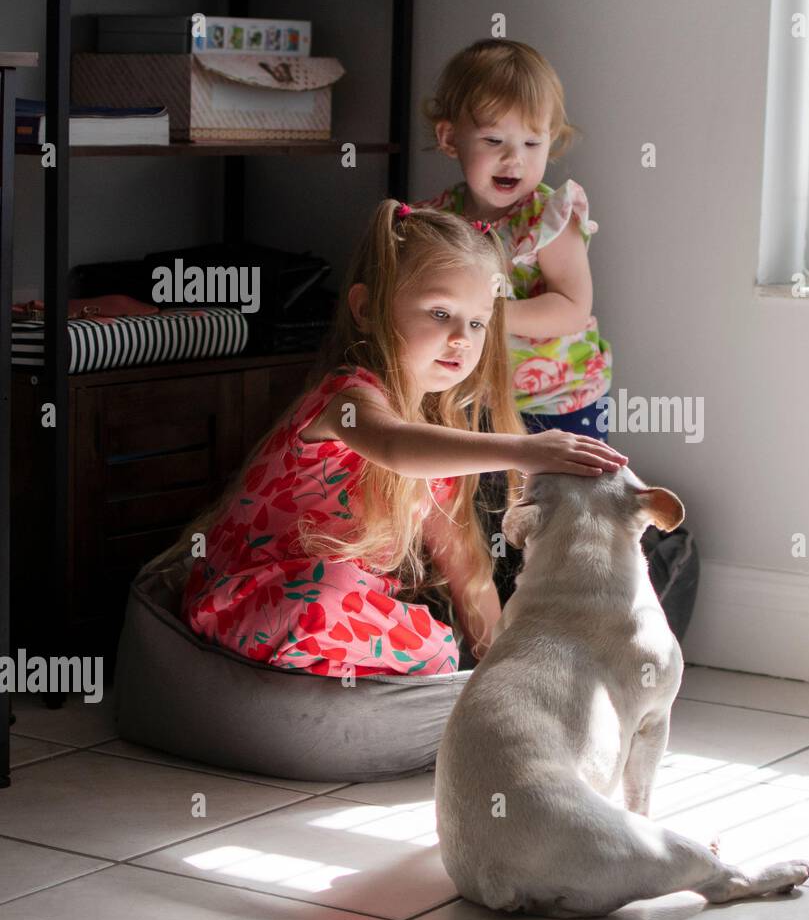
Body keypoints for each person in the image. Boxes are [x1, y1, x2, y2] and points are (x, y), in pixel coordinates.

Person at [143, 201, 626, 678]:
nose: (462, 337)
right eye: (440, 313)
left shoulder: (438, 450)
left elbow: (466, 572)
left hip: (322, 609)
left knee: (433, 640)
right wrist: (523, 450)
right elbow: (396, 446)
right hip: (245, 607)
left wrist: (503, 669)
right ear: (367, 310)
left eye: (477, 322)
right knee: (332, 595)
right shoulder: (348, 399)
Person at [416, 38, 613, 440]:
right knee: (484, 500)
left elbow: (573, 308)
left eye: (531, 143)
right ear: (451, 139)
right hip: (475, 399)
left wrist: (487, 314)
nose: (514, 159)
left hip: (558, 401)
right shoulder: (440, 222)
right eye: (493, 141)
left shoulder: (548, 220)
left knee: (560, 499)